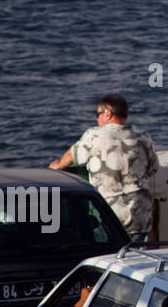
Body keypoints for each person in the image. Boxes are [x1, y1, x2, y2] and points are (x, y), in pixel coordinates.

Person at [49, 94, 157, 241]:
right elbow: (153, 168)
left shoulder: (94, 136)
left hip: (109, 214)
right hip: (139, 214)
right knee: (137, 257)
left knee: (108, 256)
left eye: (98, 114)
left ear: (108, 113)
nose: (97, 119)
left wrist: (57, 165)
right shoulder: (143, 136)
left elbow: (70, 157)